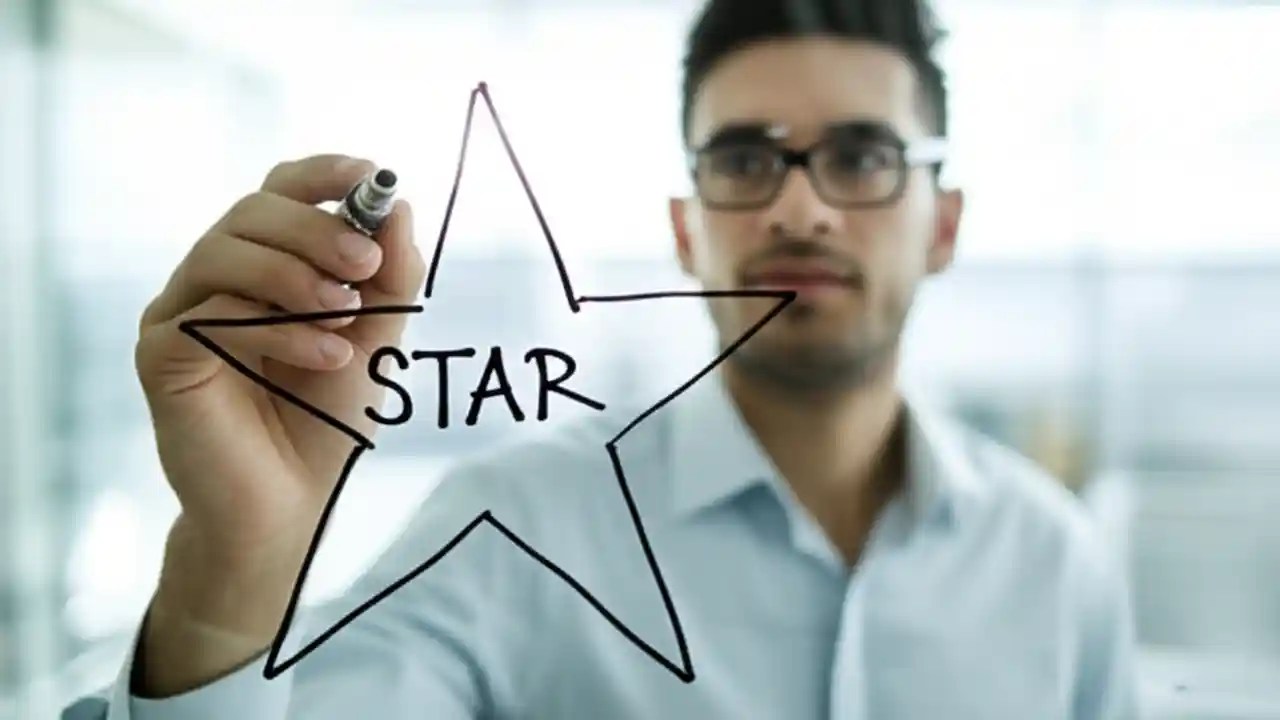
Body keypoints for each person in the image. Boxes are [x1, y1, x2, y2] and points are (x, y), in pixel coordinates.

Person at [65, 0, 1140, 717]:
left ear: (942, 225)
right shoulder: (512, 530)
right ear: (686, 229)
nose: (800, 206)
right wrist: (233, 567)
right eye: (744, 157)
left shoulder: (1055, 566)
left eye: (861, 157)